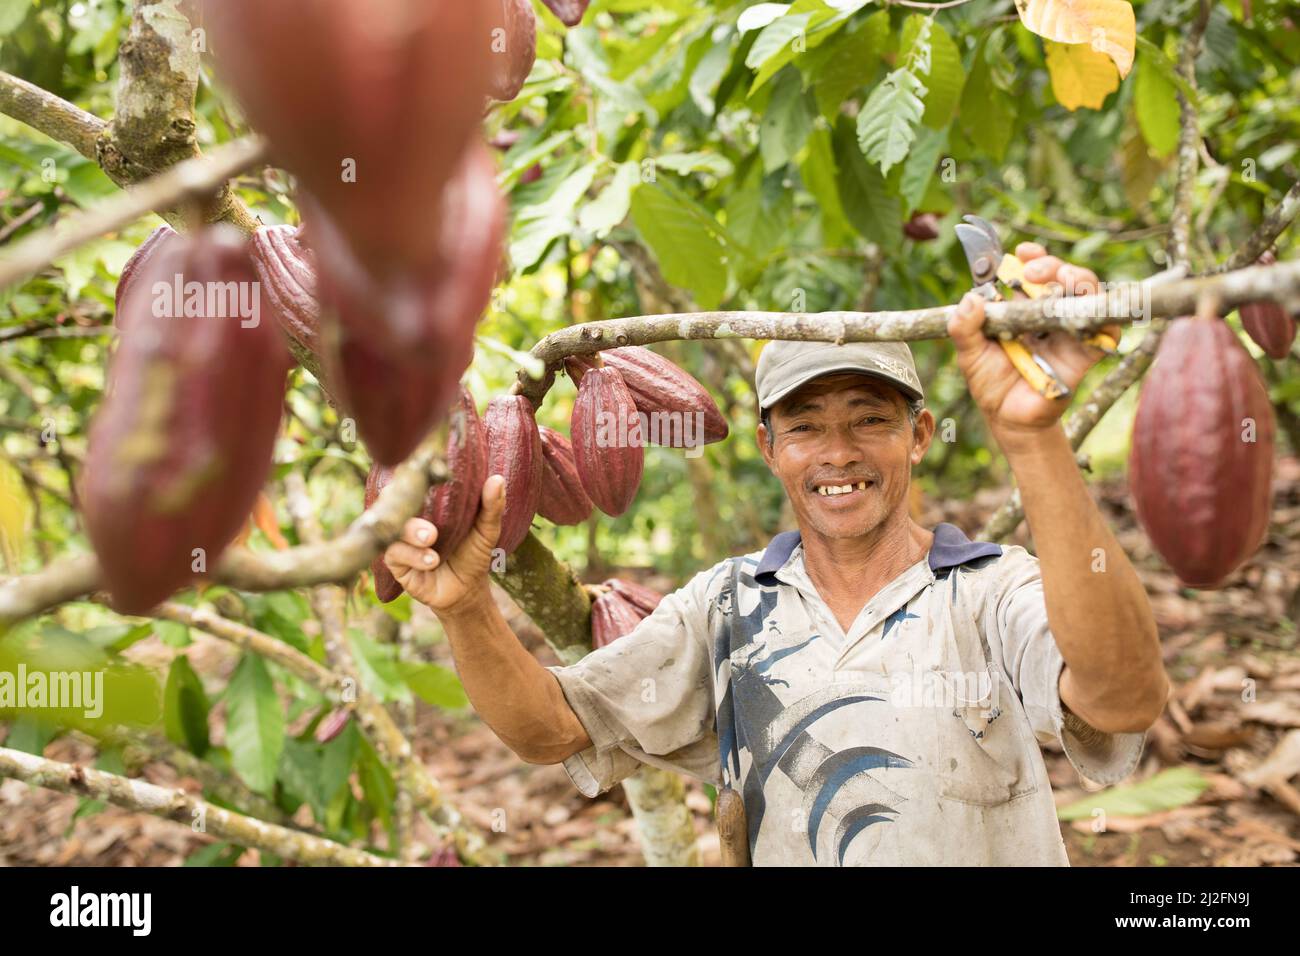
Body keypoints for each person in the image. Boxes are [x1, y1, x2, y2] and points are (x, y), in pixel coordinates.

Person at [381, 244, 1169, 866]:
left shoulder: (989, 591)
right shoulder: (726, 608)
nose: (838, 452)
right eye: (804, 427)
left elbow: (1122, 698)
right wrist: (465, 606)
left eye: (870, 420)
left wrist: (1033, 435)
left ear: (919, 436)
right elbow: (549, 729)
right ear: (768, 447)